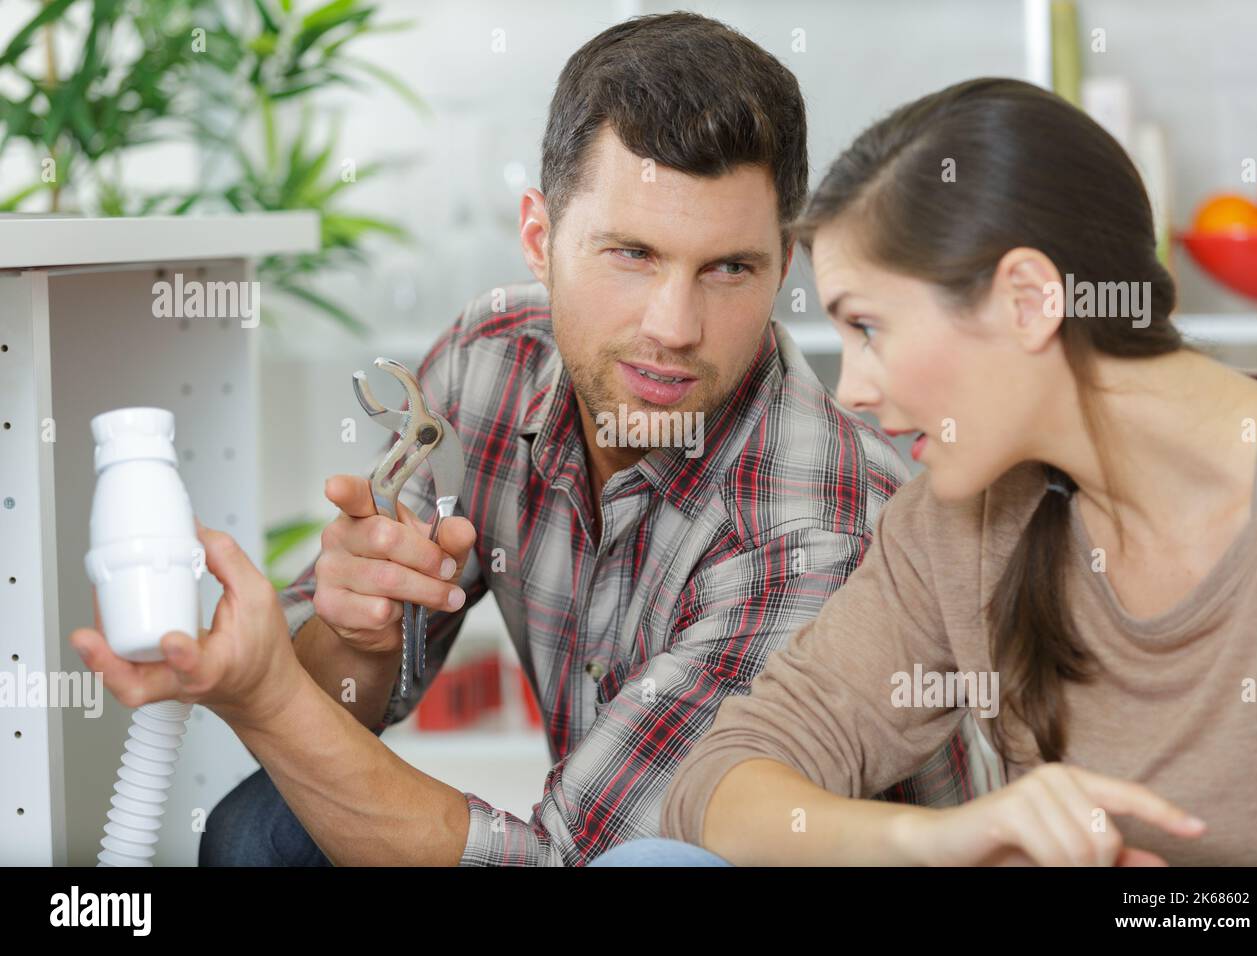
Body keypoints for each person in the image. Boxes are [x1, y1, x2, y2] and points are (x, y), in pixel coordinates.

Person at [70, 13, 980, 868]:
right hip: (602, 837)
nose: (675, 326)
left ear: (784, 266)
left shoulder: (817, 522)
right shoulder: (489, 366)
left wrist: (263, 697)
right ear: (540, 238)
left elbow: (568, 865)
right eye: (631, 254)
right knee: (260, 831)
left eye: (729, 269)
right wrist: (359, 634)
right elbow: (345, 703)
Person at [598, 77, 1257, 866]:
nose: (853, 391)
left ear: (1029, 299)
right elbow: (719, 782)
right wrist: (939, 841)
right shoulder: (961, 526)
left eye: (868, 325)